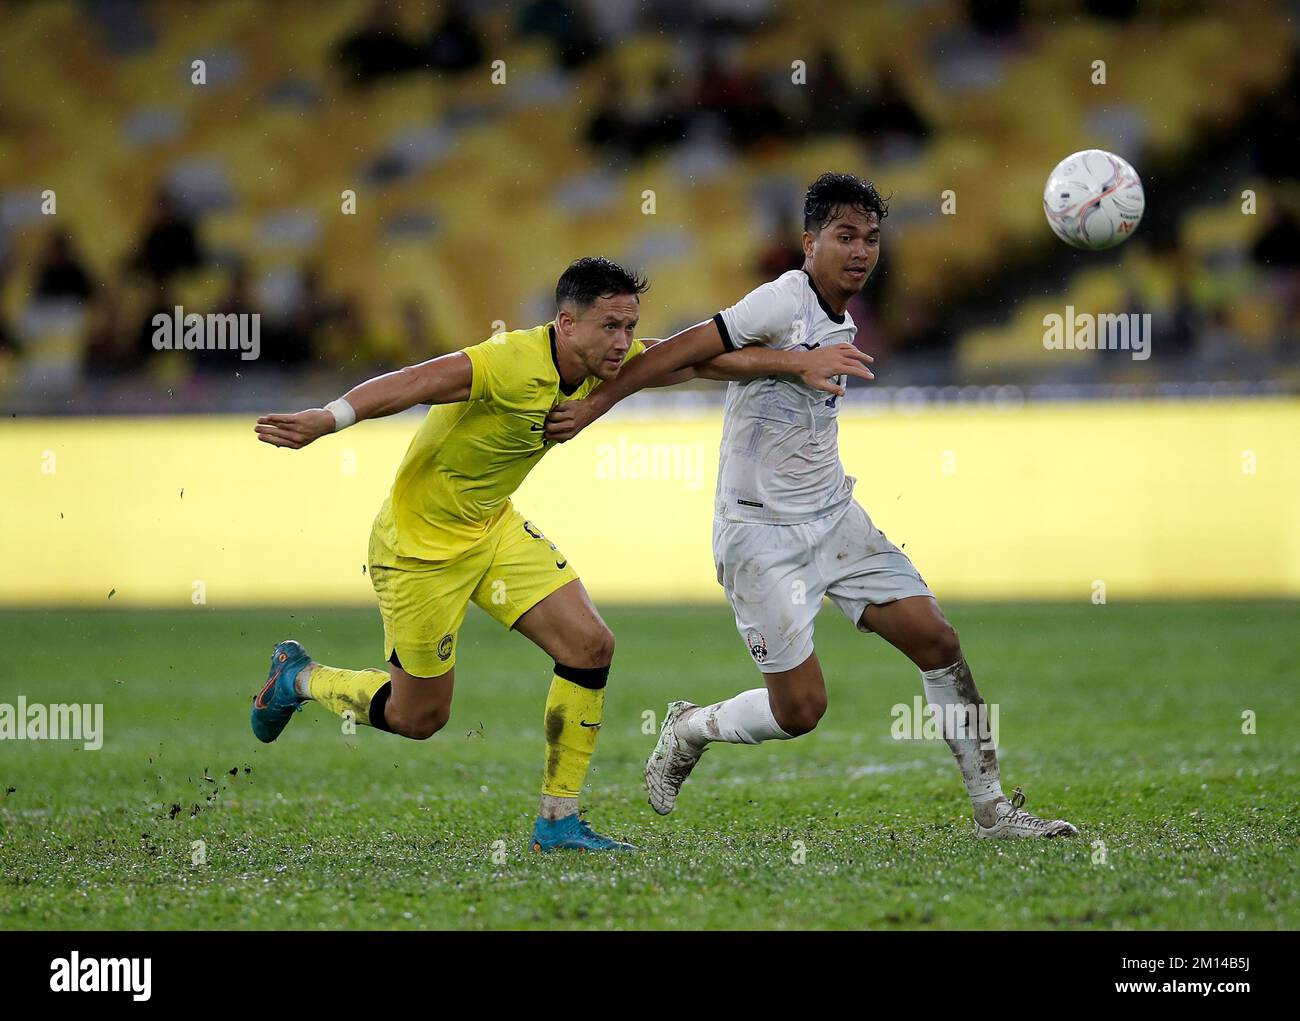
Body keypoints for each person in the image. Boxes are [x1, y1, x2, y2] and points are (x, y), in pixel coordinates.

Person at [250, 256, 866, 851]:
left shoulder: (606, 365)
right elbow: (413, 383)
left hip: (493, 531)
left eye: (629, 326)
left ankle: (558, 822)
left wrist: (794, 364)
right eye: (610, 326)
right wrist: (329, 419)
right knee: (420, 717)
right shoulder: (507, 361)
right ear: (566, 323)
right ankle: (298, 678)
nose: (624, 341)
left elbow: (701, 362)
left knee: (590, 644)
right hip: (418, 548)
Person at [544, 175, 1078, 839]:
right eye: (845, 236)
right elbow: (685, 351)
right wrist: (595, 405)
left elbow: (713, 365)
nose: (860, 251)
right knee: (800, 710)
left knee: (938, 640)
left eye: (871, 238)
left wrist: (783, 366)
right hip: (759, 534)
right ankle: (690, 728)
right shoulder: (784, 298)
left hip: (835, 519)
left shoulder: (839, 319)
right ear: (809, 241)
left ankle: (992, 809)